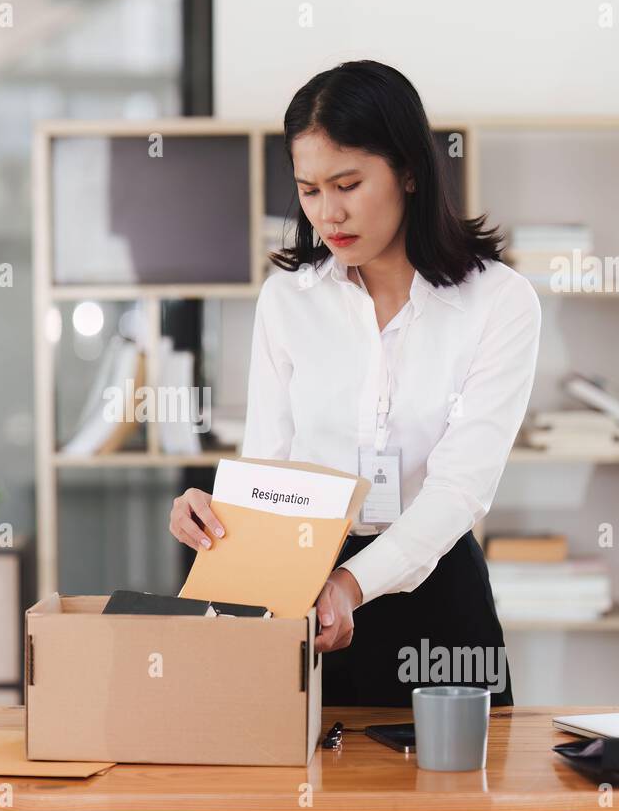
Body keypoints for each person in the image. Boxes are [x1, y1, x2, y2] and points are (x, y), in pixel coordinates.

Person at [168, 59, 540, 714]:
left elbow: (459, 490)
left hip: (436, 594)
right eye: (309, 190)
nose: (328, 213)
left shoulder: (499, 302)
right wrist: (219, 516)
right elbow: (269, 464)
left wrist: (350, 584)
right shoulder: (288, 300)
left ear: (408, 171)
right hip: (304, 592)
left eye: (347, 183)